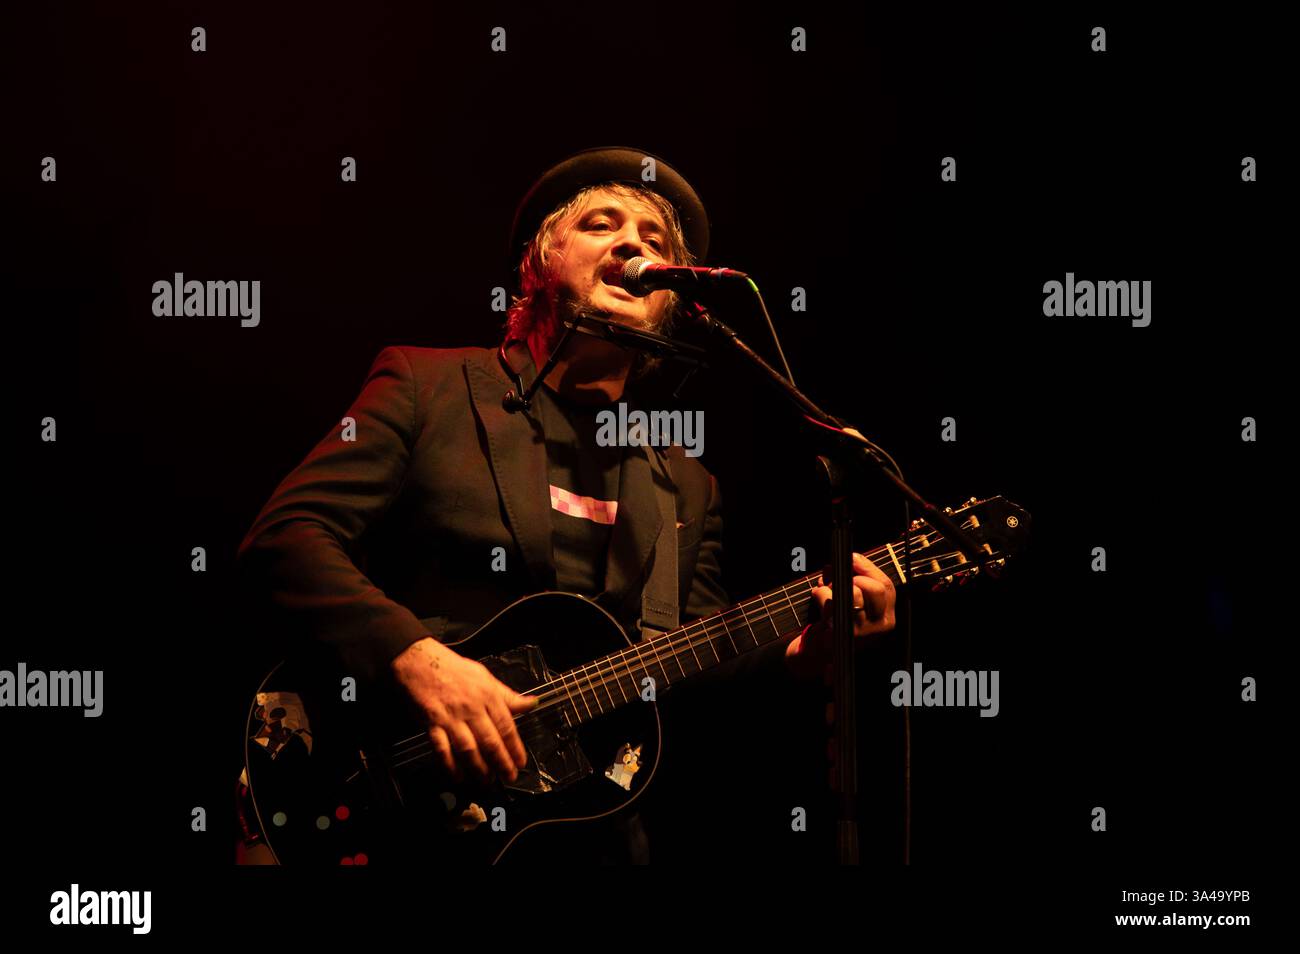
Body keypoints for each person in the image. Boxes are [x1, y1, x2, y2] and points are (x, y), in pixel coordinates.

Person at [235, 146, 896, 863]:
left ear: (673, 296)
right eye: (601, 225)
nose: (631, 245)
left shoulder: (685, 484)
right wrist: (417, 659)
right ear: (538, 264)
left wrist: (799, 652)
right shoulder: (428, 387)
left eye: (654, 242)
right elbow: (286, 536)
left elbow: (686, 660)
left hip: (578, 838)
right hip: (371, 786)